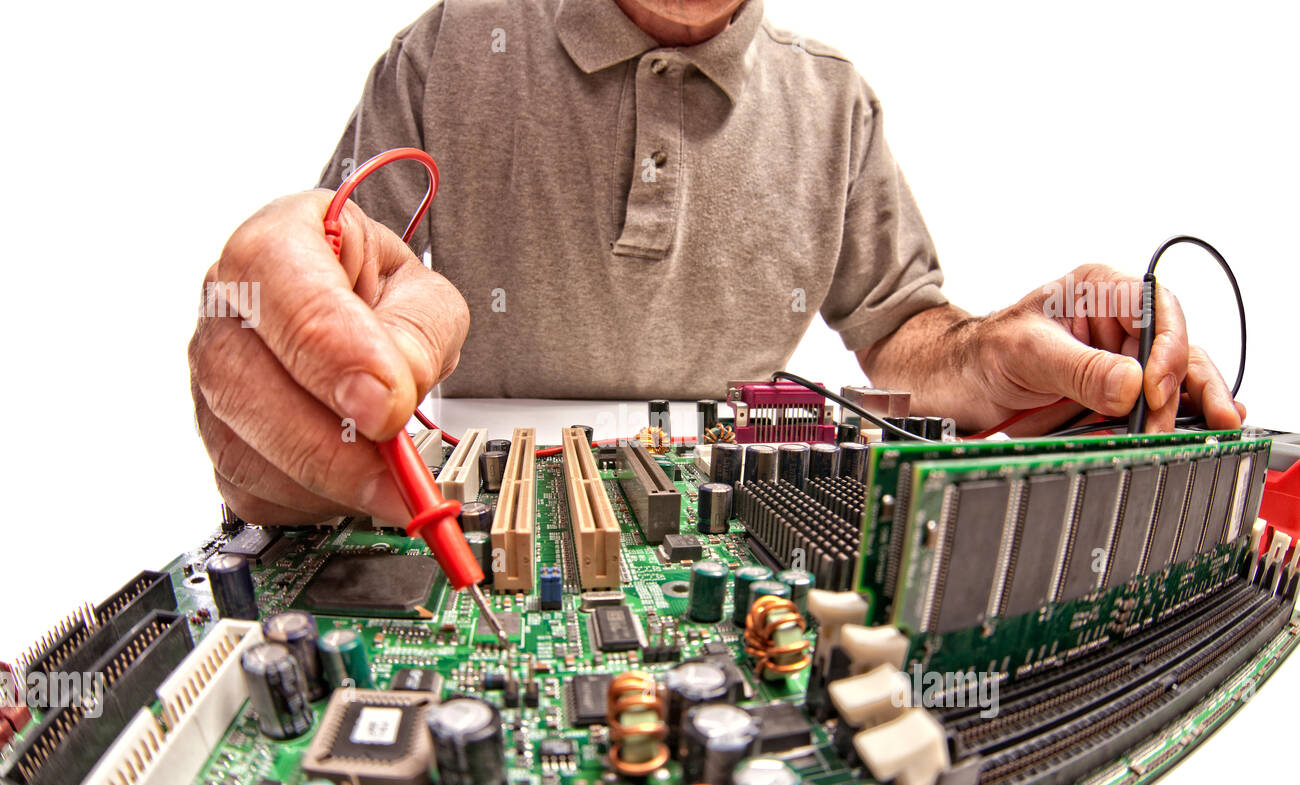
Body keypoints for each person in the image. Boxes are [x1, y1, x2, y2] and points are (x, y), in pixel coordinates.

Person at [189, 0, 1244, 527]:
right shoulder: (449, 47)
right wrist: (296, 391)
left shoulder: (834, 102)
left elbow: (903, 330)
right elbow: (343, 280)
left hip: (739, 510)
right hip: (468, 500)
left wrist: (990, 350)